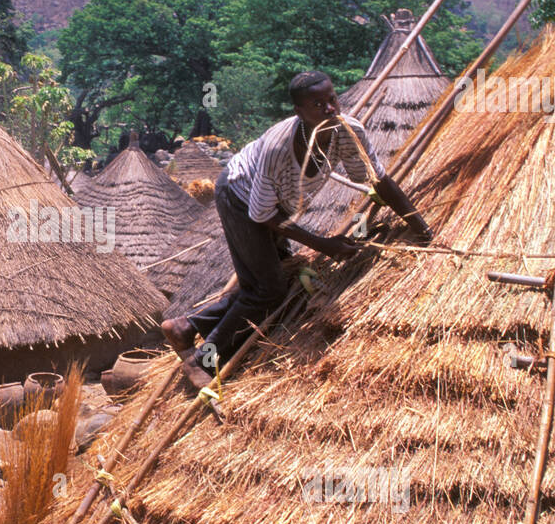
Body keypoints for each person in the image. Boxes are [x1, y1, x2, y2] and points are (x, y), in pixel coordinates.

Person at [161, 70, 432, 389]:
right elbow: (261, 214)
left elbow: (378, 180)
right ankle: (204, 360)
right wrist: (325, 245)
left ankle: (185, 327)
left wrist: (420, 226)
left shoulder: (348, 132)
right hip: (239, 195)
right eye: (319, 104)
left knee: (273, 279)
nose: (331, 109)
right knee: (269, 289)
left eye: (332, 100)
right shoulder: (280, 146)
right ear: (300, 112)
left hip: (279, 205)